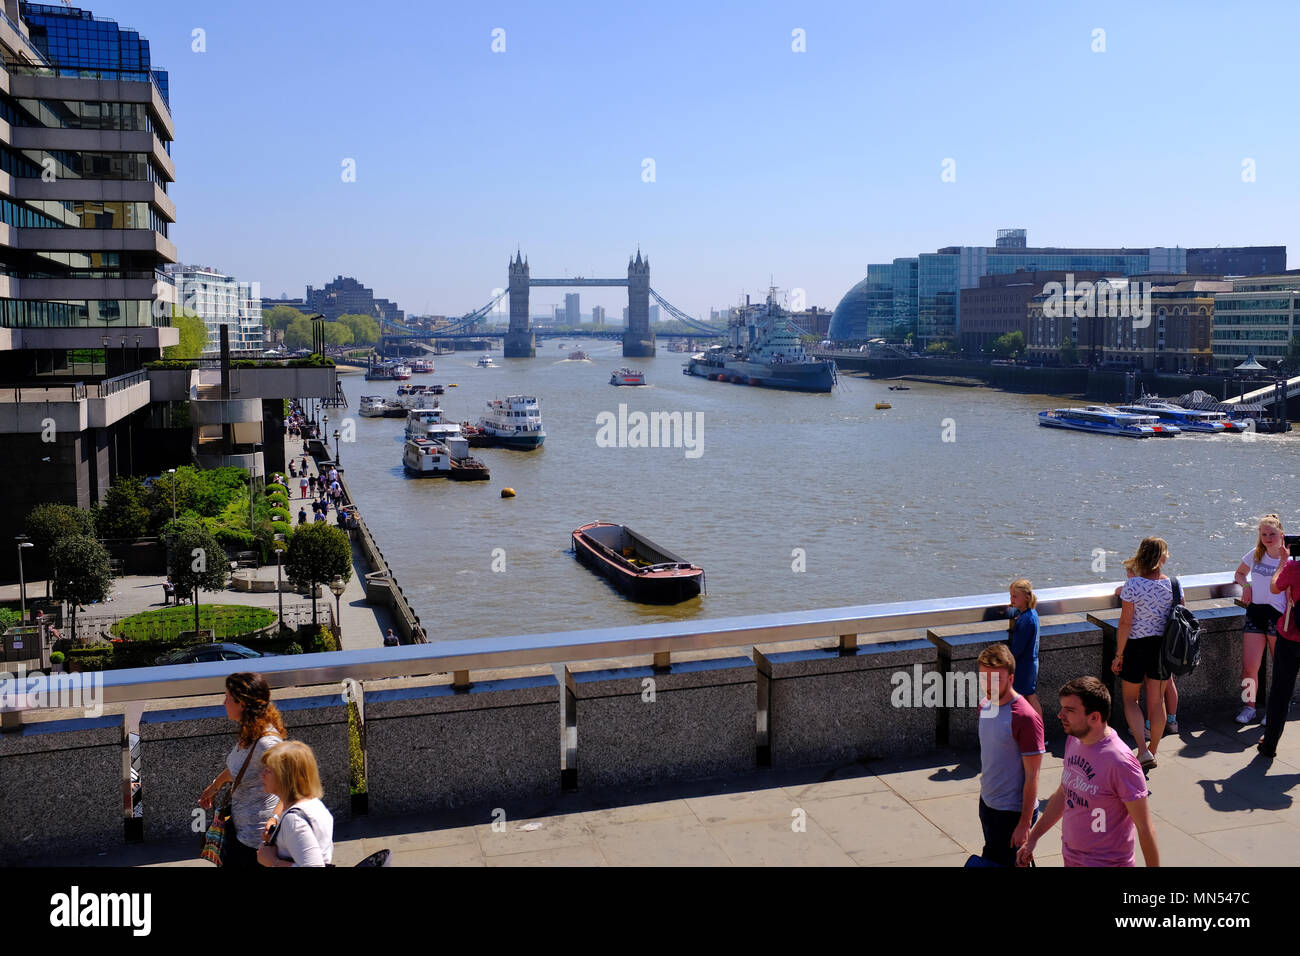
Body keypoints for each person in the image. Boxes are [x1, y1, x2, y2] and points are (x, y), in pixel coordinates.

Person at [1017, 677, 1159, 867]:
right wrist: (1033, 838)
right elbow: (1064, 792)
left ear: (1094, 717)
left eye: (1069, 710)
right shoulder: (1074, 740)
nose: (1060, 715)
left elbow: (1145, 827)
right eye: (1062, 708)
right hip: (1071, 858)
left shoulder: (1120, 762)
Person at [197, 673, 287, 868]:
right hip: (240, 832)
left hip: (258, 842)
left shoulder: (267, 743)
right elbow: (241, 768)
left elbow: (291, 787)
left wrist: (274, 818)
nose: (224, 702)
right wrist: (215, 785)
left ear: (242, 703)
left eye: (228, 697)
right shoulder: (250, 731)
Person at [975, 643, 1045, 866]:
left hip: (1012, 813)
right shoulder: (984, 705)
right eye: (984, 678)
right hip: (988, 803)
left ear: (1011, 679)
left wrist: (1024, 824)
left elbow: (1033, 776)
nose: (989, 685)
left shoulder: (1025, 717)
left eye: (996, 679)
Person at [1112, 537, 1174, 771]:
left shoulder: (1133, 585)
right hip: (1161, 649)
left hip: (1136, 646)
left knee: (1130, 699)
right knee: (1156, 702)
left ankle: (1142, 748)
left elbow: (1126, 622)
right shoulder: (1173, 585)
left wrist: (1119, 654)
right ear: (1163, 558)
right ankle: (1153, 751)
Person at [1234, 515, 1287, 725]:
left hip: (1279, 615)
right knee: (1249, 667)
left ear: (1281, 534)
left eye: (1272, 534)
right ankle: (1249, 707)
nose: (1267, 538)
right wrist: (1246, 587)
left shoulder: (1288, 559)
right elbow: (1239, 574)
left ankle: (1274, 710)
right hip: (1256, 613)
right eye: (1264, 534)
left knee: (1280, 668)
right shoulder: (1256, 554)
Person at [256, 741, 334, 867]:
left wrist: (272, 861)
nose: (261, 775)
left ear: (285, 777)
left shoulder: (294, 820)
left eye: (268, 770)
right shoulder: (314, 804)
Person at [1259, 548, 1300, 758]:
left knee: (1280, 694)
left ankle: (1270, 744)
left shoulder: (1294, 568)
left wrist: (1283, 561)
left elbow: (1275, 588)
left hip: (1291, 637)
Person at [1006, 578, 1042, 718]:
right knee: (1029, 696)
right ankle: (1039, 733)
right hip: (1029, 664)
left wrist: (1007, 662)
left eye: (1015, 596)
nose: (1011, 599)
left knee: (1027, 697)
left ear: (1026, 597)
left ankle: (1038, 732)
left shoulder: (1026, 619)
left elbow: (1018, 648)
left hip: (1023, 665)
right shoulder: (1031, 614)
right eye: (1011, 595)